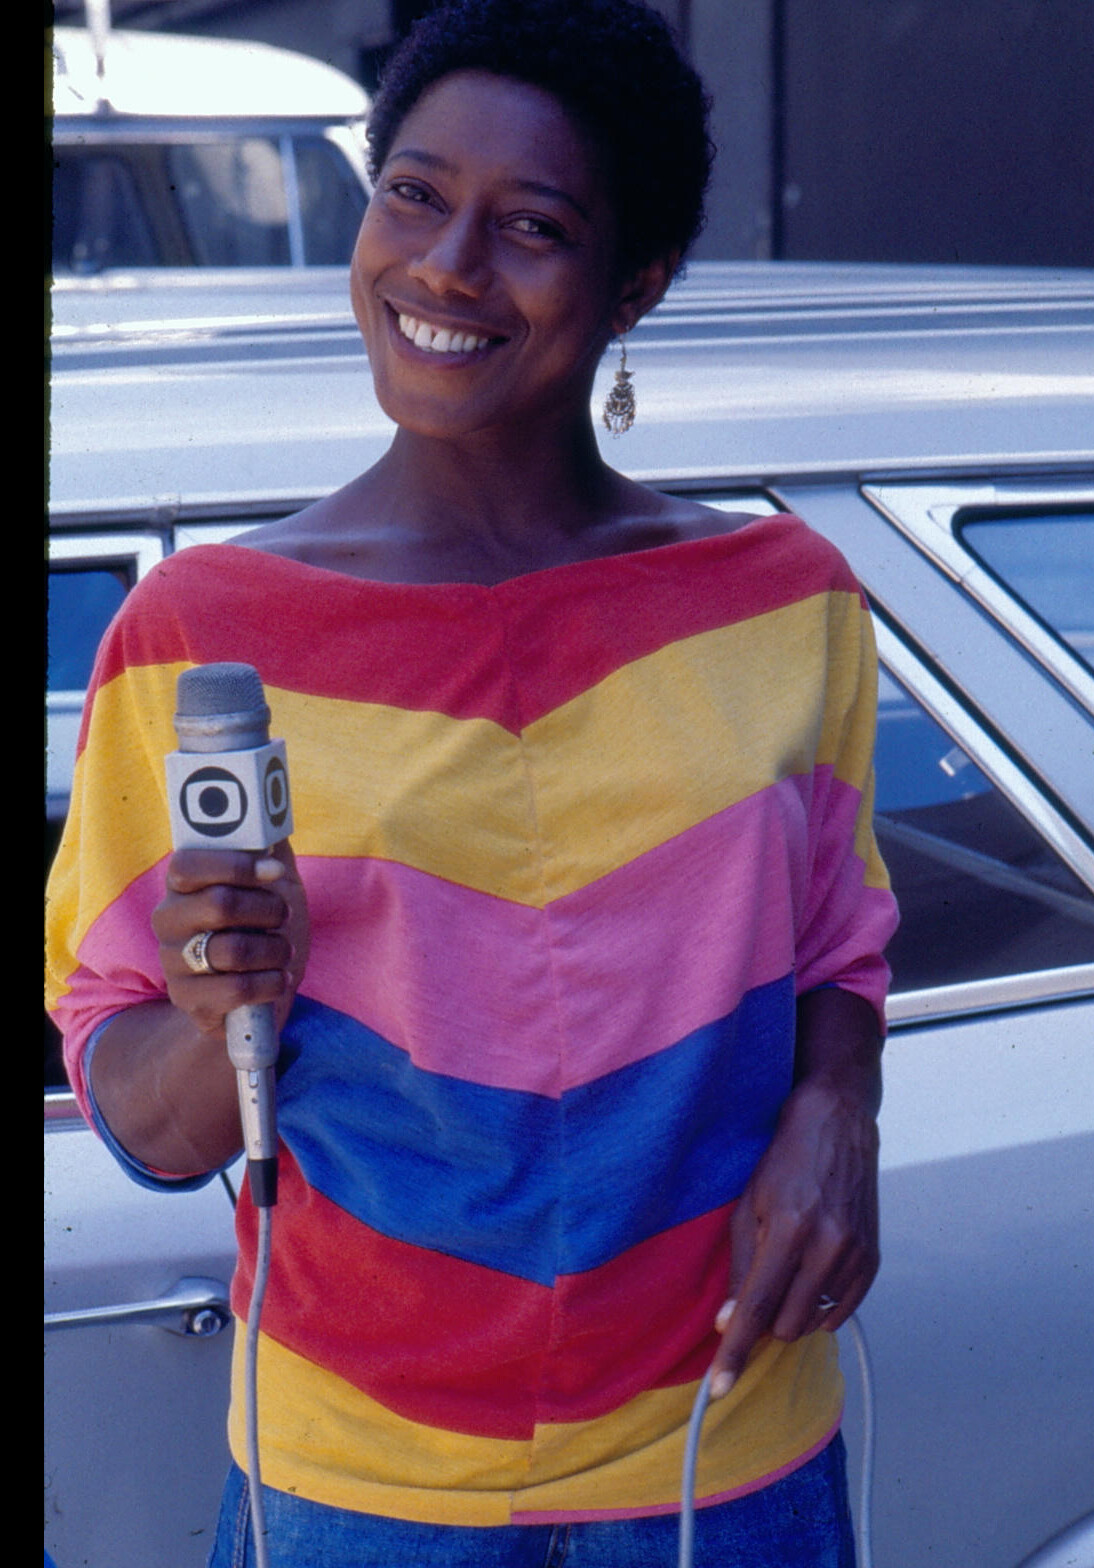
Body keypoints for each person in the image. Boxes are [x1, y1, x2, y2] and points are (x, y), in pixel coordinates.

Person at [44, 2, 899, 1563]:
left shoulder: (789, 602)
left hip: (726, 1462)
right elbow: (149, 1116)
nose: (446, 265)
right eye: (414, 194)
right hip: (356, 1495)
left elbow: (840, 945)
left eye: (534, 226)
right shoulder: (198, 638)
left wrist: (842, 1104)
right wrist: (226, 1006)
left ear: (634, 282)